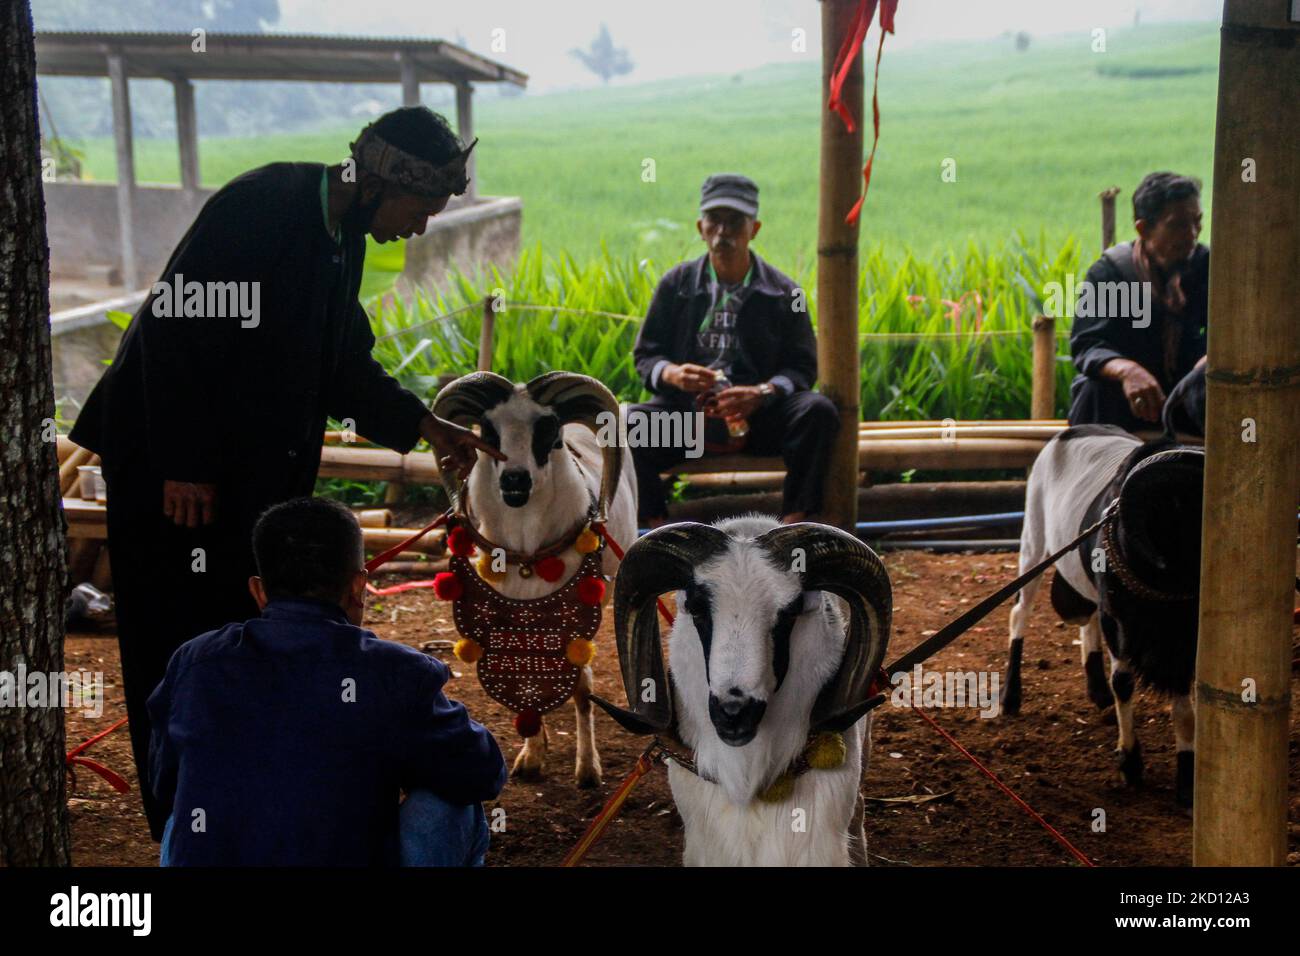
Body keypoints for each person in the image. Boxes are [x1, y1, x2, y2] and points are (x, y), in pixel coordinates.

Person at [68, 106, 504, 840]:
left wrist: (423, 425)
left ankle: (247, 811)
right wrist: (183, 464)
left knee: (246, 633)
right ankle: (180, 823)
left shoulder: (343, 240)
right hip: (174, 475)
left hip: (246, 475)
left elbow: (342, 363)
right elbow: (176, 327)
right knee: (181, 640)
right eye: (419, 208)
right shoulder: (264, 204)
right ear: (377, 182)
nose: (421, 227)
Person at [148, 497, 506, 866]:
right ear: (358, 588)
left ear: (258, 592)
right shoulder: (395, 672)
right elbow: (482, 772)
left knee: (185, 812)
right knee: (451, 801)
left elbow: (164, 783)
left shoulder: (195, 660)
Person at [629, 173, 838, 526]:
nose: (722, 232)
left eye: (734, 222)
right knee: (626, 426)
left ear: (754, 229)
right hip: (688, 425)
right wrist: (674, 374)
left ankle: (791, 528)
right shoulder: (674, 285)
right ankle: (661, 535)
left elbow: (803, 368)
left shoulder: (787, 293)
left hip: (759, 424)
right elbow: (645, 356)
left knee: (818, 412)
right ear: (700, 227)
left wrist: (762, 392)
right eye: (714, 220)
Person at [1068, 171, 1209, 432]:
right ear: (1143, 229)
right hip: (1133, 403)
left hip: (1189, 403)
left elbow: (1232, 335)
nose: (1192, 233)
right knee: (1093, 390)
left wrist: (1210, 362)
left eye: (1197, 221)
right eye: (1178, 224)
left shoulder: (1209, 268)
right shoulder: (1111, 272)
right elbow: (1088, 344)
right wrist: (1127, 371)